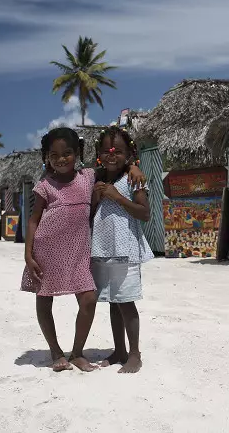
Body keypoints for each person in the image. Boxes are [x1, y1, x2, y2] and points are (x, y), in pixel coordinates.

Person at [21, 126, 146, 372]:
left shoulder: (88, 176)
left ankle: (77, 352)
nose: (61, 159)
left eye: (67, 153)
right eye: (54, 155)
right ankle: (56, 352)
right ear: (46, 157)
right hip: (47, 250)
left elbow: (115, 166)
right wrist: (28, 254)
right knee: (44, 299)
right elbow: (34, 219)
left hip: (79, 251)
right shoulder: (45, 184)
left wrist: (133, 166)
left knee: (89, 299)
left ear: (78, 153)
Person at [91, 127, 153, 373]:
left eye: (118, 151)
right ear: (98, 154)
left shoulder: (133, 179)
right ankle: (119, 350)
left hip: (126, 250)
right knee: (112, 302)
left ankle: (135, 353)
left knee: (126, 302)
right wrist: (97, 197)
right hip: (102, 249)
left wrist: (117, 197)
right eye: (106, 151)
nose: (111, 155)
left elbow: (145, 213)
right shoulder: (96, 179)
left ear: (129, 154)